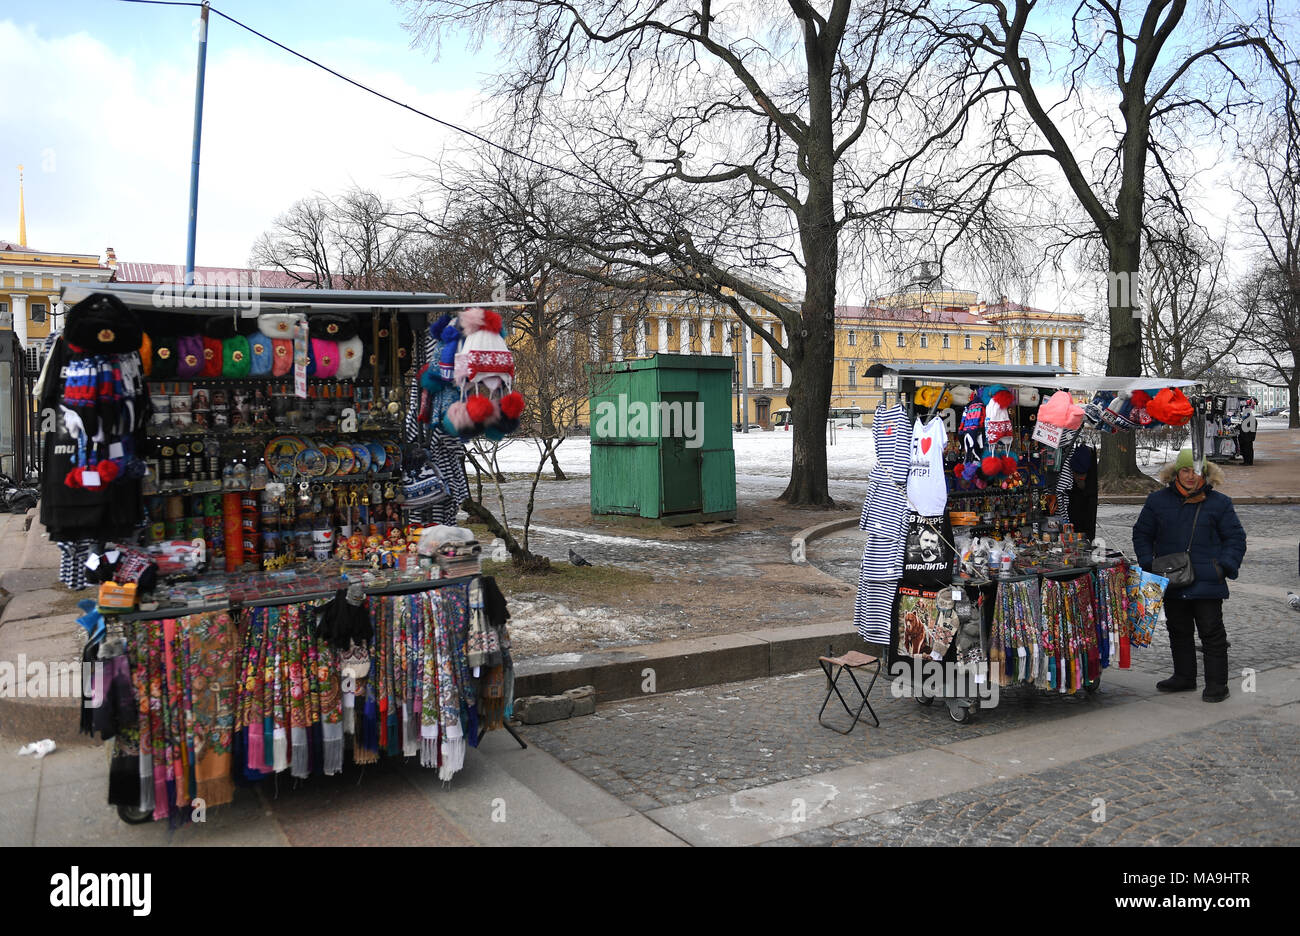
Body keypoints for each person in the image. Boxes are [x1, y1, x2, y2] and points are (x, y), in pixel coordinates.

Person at [1132, 449, 1247, 702]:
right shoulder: (1157, 501)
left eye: (1196, 471)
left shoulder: (1220, 503)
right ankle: (1184, 677)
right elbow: (1142, 534)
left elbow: (1235, 539)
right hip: (1171, 577)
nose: (1191, 476)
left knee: (1211, 633)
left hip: (1207, 579)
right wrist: (1150, 564)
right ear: (1176, 473)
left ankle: (1217, 685)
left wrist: (1223, 567)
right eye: (1186, 470)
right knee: (1178, 629)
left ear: (1205, 473)